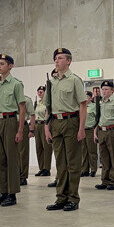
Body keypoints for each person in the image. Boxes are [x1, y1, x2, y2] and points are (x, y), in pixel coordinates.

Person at [45, 48, 88, 212]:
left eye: (60, 58)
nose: (57, 61)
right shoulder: (52, 82)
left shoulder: (75, 80)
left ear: (68, 61)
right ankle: (61, 198)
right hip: (56, 123)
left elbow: (83, 105)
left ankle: (73, 199)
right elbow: (48, 107)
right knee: (60, 163)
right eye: (55, 58)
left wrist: (81, 128)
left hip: (71, 122)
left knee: (73, 163)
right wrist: (47, 128)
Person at [0, 54, 26, 207]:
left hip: (10, 121)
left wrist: (20, 130)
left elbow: (22, 108)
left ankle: (12, 193)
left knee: (11, 159)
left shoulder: (16, 84)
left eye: (2, 63)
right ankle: (2, 192)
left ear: (10, 66)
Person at [93, 80, 114, 191]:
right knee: (104, 158)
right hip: (102, 131)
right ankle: (104, 181)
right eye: (103, 89)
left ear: (112, 90)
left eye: (106, 89)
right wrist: (95, 132)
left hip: (112, 131)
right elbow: (98, 118)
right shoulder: (100, 102)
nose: (104, 91)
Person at [32, 86, 52, 178]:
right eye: (38, 92)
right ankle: (41, 168)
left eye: (41, 92)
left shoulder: (47, 103)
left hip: (45, 125)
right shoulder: (37, 103)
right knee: (38, 147)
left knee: (46, 147)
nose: (39, 94)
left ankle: (47, 168)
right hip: (37, 125)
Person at [80, 90, 98, 177]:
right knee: (83, 151)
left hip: (91, 130)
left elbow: (97, 118)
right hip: (83, 130)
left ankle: (93, 169)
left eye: (86, 96)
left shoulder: (94, 106)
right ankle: (84, 170)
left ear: (90, 98)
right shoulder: (81, 107)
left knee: (92, 151)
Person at [19, 94, 34, 186]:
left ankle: (23, 176)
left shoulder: (26, 100)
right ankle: (14, 175)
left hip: (23, 125)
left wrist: (31, 130)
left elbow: (32, 114)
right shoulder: (11, 98)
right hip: (11, 125)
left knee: (23, 152)